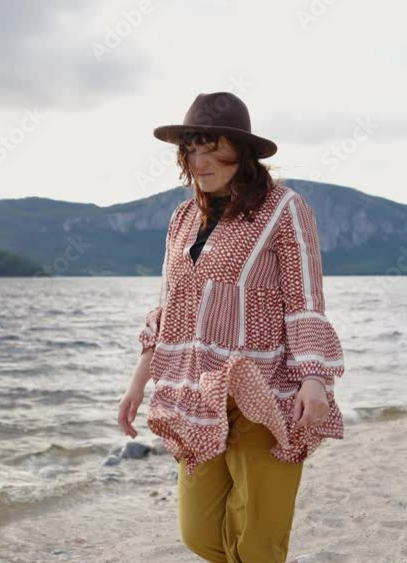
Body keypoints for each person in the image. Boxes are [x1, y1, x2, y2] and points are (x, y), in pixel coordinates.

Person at [118, 92, 346, 563]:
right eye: (190, 151)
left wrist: (314, 378)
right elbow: (167, 306)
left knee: (258, 539)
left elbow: (306, 300)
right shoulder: (182, 218)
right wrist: (138, 381)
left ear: (240, 152)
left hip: (267, 391)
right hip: (195, 392)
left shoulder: (285, 208)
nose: (199, 162)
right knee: (199, 532)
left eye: (210, 148)